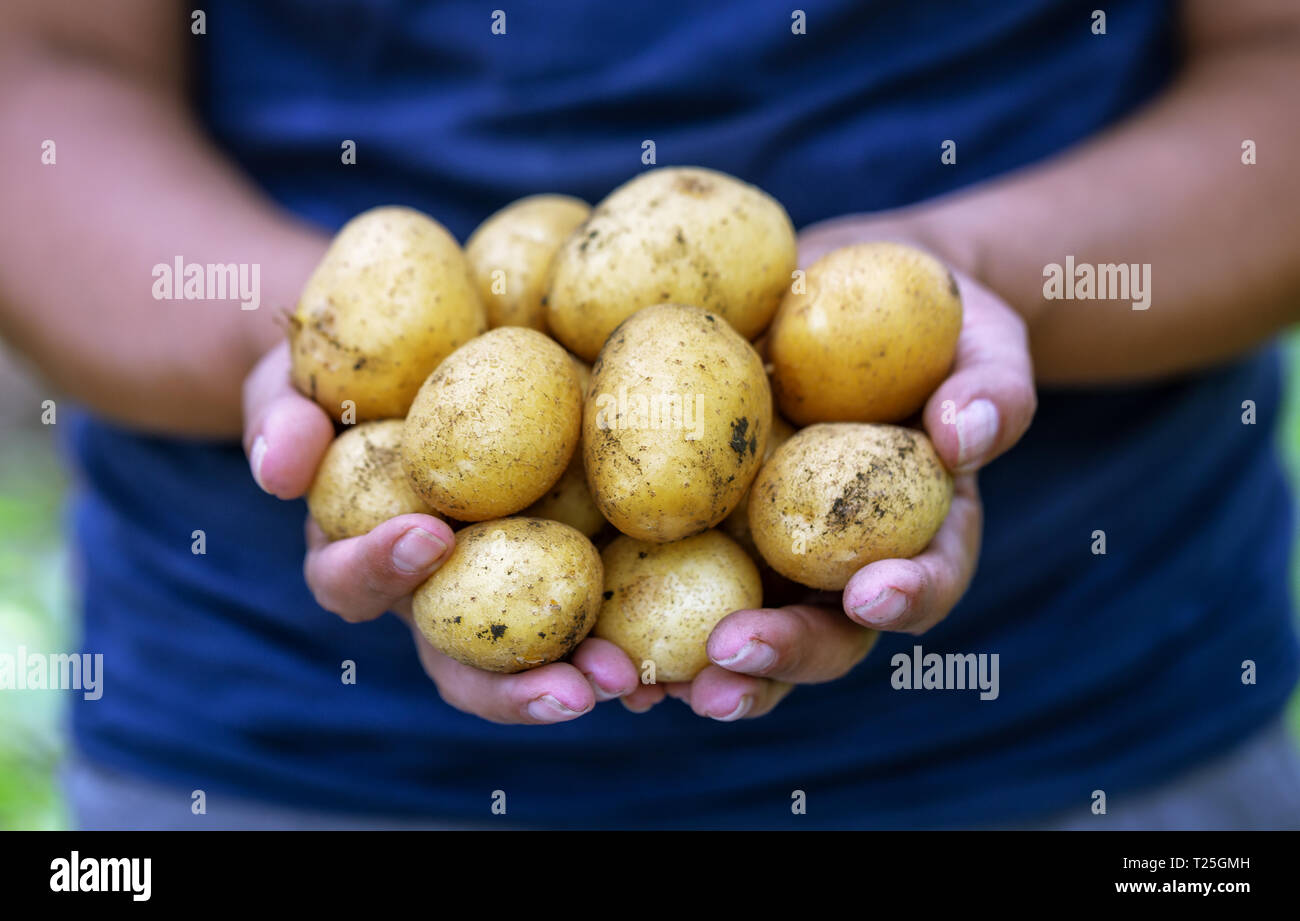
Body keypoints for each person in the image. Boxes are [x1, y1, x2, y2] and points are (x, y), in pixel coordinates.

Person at [2, 0, 1298, 830]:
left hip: (1093, 732)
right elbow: (43, 71)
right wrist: (285, 334)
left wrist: (974, 271)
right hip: (268, 753)